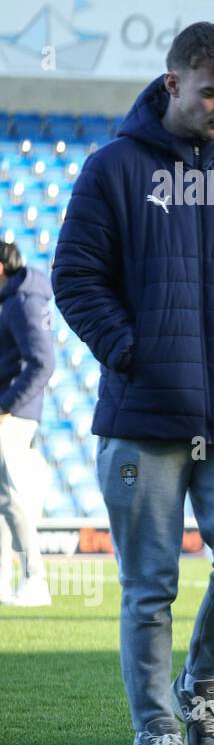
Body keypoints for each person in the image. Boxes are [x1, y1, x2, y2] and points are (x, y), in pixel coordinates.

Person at [53, 22, 214, 745]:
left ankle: (203, 691)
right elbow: (76, 279)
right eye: (211, 93)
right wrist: (133, 353)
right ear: (173, 85)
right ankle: (156, 728)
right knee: (151, 584)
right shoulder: (112, 170)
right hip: (144, 416)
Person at [0, 239, 55, 607]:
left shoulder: (21, 301)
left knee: (10, 496)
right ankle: (5, 581)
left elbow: (42, 361)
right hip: (13, 411)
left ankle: (35, 579)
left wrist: (6, 405)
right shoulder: (15, 300)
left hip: (12, 414)